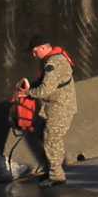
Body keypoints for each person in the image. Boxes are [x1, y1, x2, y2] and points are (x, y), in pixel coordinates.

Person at [19, 42, 77, 184]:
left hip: (60, 108)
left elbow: (45, 90)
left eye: (35, 51)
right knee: (41, 133)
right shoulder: (50, 60)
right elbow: (42, 83)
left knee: (51, 139)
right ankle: (52, 168)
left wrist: (27, 93)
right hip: (52, 108)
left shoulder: (54, 64)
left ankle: (57, 177)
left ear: (44, 48)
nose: (33, 55)